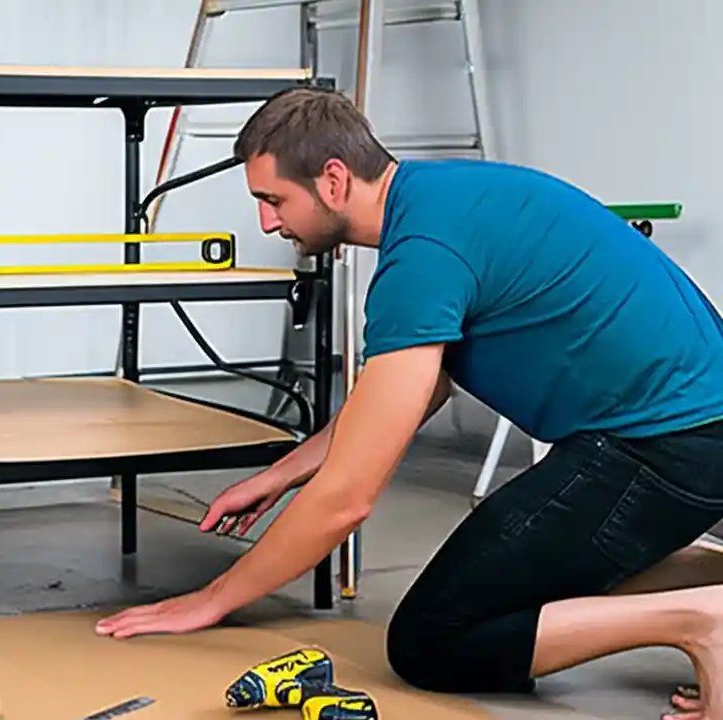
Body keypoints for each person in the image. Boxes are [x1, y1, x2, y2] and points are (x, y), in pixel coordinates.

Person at [92, 86, 723, 718]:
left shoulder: (421, 259)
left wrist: (215, 598)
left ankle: (702, 621)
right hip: (689, 436)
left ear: (333, 180)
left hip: (661, 449)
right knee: (520, 577)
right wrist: (279, 477)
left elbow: (347, 498)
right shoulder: (439, 200)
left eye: (272, 199)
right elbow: (404, 398)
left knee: (433, 637)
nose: (267, 222)